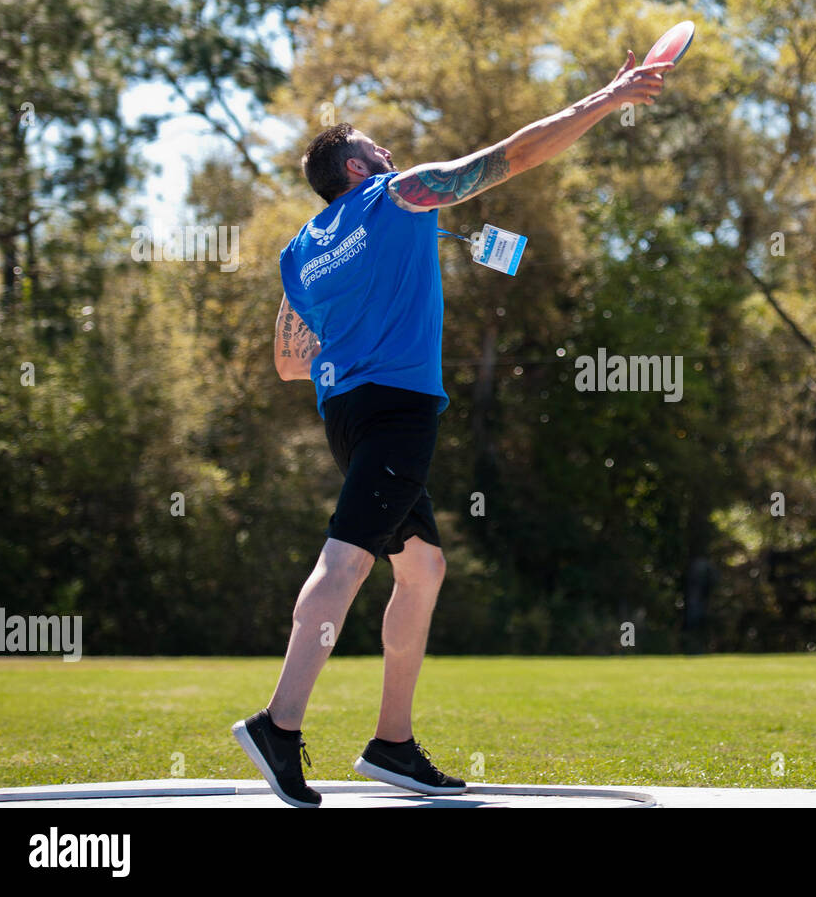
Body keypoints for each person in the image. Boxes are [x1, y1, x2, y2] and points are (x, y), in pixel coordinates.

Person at [232, 51, 673, 807]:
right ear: (355, 167)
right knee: (345, 564)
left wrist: (359, 335)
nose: (391, 152)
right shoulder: (398, 196)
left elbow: (285, 362)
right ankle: (278, 723)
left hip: (348, 414)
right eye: (376, 148)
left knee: (423, 569)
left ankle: (392, 744)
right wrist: (608, 96)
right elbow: (509, 157)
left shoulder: (299, 251)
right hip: (398, 414)